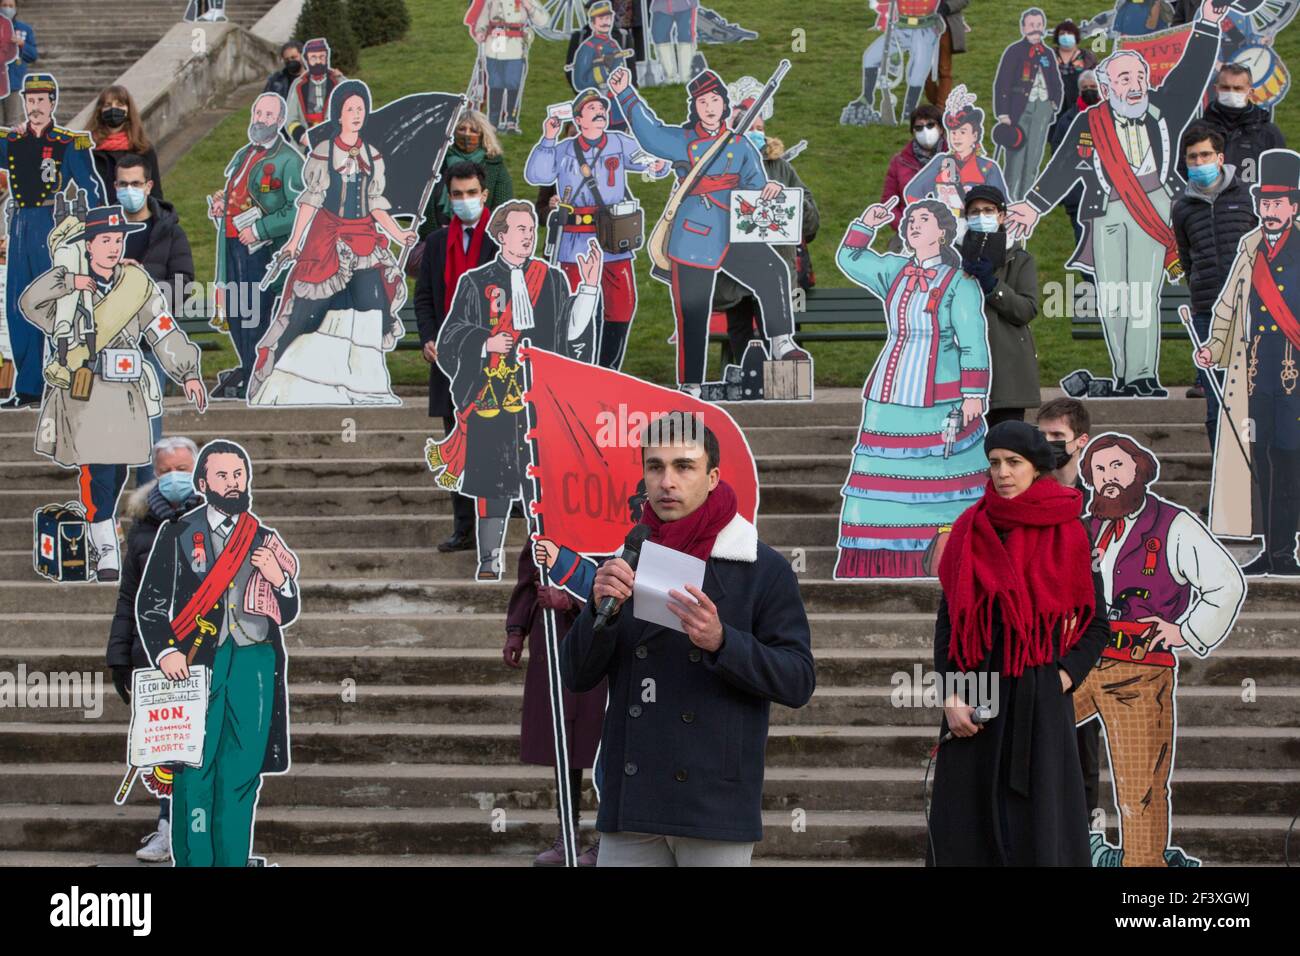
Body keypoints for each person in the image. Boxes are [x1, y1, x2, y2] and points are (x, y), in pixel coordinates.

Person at [560, 414, 815, 866]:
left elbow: (798, 680)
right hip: (632, 802)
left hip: (714, 803)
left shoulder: (762, 567)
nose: (667, 482)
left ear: (712, 477)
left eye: (684, 466)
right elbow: (576, 675)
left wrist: (722, 642)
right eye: (655, 467)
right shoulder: (625, 560)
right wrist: (601, 610)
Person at [1007, 2, 1228, 398]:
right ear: (1107, 88)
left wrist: (1208, 24)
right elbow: (1063, 167)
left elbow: (1192, 73)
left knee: (1142, 294)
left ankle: (1141, 375)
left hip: (1153, 205)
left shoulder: (1165, 109)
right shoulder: (1089, 121)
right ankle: (1125, 376)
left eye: (1140, 75)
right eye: (1125, 78)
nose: (1136, 83)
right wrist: (1033, 204)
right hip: (1104, 212)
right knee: (1113, 297)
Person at [928, 420, 1110, 865]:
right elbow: (950, 621)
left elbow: (1096, 625)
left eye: (1014, 462)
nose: (1003, 473)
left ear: (1036, 468)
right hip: (978, 692)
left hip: (1039, 701)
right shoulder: (969, 530)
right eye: (994, 463)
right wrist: (952, 693)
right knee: (967, 836)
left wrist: (1061, 678)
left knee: (1039, 836)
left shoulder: (1070, 531)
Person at [1076, 433, 1245, 866]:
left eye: (1117, 466)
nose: (1108, 477)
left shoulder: (1174, 524)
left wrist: (1185, 631)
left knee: (1140, 787)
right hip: (1076, 664)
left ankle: (1143, 870)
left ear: (1139, 469)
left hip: (1138, 669)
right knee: (1024, 737)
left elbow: (1226, 584)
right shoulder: (1084, 525)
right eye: (1099, 470)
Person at [19, 204, 207, 581]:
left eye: (117, 240)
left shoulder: (136, 283)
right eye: (104, 240)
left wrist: (187, 371)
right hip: (84, 393)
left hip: (125, 395)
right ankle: (105, 546)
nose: (112, 247)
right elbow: (30, 303)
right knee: (98, 472)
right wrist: (68, 282)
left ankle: (103, 529)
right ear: (88, 245)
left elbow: (162, 328)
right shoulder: (69, 291)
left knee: (118, 471)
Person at [136, 440, 300, 867]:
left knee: (242, 772)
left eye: (238, 474)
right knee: (195, 771)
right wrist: (165, 652)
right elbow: (150, 604)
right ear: (204, 482)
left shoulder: (264, 538)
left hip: (255, 661)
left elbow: (287, 610)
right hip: (196, 664)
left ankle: (232, 861)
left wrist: (279, 579)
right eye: (222, 475)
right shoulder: (178, 532)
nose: (232, 483)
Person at [610, 66, 811, 394]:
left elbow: (754, 187)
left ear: (724, 105)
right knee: (693, 310)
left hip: (732, 231)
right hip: (694, 233)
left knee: (773, 270)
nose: (709, 107)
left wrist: (769, 190)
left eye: (715, 100)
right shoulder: (683, 141)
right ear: (695, 107)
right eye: (702, 101)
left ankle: (781, 341)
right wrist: (626, 94)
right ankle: (691, 382)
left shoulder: (740, 145)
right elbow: (650, 134)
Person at [430, 200, 601, 579]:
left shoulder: (552, 279)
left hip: (539, 401)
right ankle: (489, 560)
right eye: (521, 229)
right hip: (492, 400)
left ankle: (547, 565)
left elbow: (570, 334)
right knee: (491, 485)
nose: (528, 236)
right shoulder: (475, 282)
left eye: (532, 229)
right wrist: (484, 343)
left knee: (542, 487)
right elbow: (449, 340)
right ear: (502, 235)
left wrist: (589, 288)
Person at [834, 198, 990, 578]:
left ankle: (948, 555)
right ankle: (879, 555)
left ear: (943, 231)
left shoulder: (960, 283)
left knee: (943, 476)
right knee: (879, 477)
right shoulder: (894, 270)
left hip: (941, 397)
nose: (913, 225)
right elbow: (849, 259)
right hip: (888, 392)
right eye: (910, 221)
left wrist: (973, 394)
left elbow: (972, 339)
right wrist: (866, 224)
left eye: (923, 219)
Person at [248, 81, 417, 407]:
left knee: (372, 305)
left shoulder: (372, 155)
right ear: (338, 114)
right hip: (327, 238)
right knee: (310, 312)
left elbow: (375, 203)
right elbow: (311, 200)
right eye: (350, 109)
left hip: (364, 239)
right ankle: (298, 383)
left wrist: (399, 234)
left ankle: (365, 386)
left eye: (360, 109)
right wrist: (294, 241)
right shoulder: (324, 152)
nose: (356, 114)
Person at [1195, 148, 1300, 576]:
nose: (1269, 212)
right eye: (1265, 204)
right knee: (1262, 462)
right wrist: (1212, 348)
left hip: (1295, 376)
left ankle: (1285, 551)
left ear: (1294, 206)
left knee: (1290, 460)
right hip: (1256, 375)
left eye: (1277, 204)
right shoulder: (1250, 246)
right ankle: (1270, 550)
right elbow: (1228, 306)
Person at [105, 436, 202, 863]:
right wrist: (118, 654)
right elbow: (129, 596)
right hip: (155, 656)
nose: (174, 478)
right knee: (167, 746)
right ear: (154, 474)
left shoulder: (219, 518)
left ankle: (206, 831)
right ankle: (167, 827)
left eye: (183, 469)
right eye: (165, 471)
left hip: (205, 652)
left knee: (206, 748)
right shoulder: (143, 525)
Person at [524, 89, 667, 370]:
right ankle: (577, 367)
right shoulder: (564, 149)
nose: (600, 113)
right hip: (575, 240)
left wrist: (656, 165)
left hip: (613, 237)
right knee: (577, 305)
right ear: (578, 119)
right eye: (592, 109)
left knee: (622, 303)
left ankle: (609, 368)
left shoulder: (619, 142)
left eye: (602, 108)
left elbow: (646, 161)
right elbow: (537, 174)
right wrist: (549, 137)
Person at [0, 73, 102, 409]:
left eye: (41, 100)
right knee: (18, 306)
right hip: (19, 224)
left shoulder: (67, 143)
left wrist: (97, 231)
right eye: (30, 100)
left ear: (53, 103)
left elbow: (90, 186)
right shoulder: (12, 141)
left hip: (49, 223)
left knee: (54, 301)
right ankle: (28, 387)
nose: (35, 107)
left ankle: (58, 377)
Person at [413, 161, 496, 553]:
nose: (465, 200)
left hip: (493, 364)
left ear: (485, 194)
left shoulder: (502, 239)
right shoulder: (435, 243)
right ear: (449, 198)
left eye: (471, 193)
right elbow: (425, 298)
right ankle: (463, 527)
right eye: (458, 194)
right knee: (457, 446)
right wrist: (428, 338)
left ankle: (495, 523)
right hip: (449, 366)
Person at [506, 539, 605, 866]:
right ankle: (567, 835)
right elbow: (528, 581)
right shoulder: (543, 527)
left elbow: (624, 583)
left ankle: (607, 837)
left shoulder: (611, 527)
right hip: (552, 642)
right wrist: (516, 630)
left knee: (605, 743)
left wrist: (572, 601)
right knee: (563, 743)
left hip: (599, 643)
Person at [208, 93, 304, 400]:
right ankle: (249, 370)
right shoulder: (244, 153)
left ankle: (256, 376)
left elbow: (299, 209)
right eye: (257, 113)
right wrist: (222, 204)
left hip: (262, 251)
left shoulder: (289, 160)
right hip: (232, 244)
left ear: (280, 120)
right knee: (235, 312)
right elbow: (238, 194)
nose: (260, 120)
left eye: (267, 115)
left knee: (254, 315)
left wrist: (260, 229)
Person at [1033, 396, 1100, 819]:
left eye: (1057, 436)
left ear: (1080, 441)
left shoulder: (1106, 501)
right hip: (1042, 649)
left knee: (1083, 756)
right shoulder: (1024, 494)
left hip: (1090, 647)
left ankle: (1084, 840)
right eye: (1041, 436)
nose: (1049, 444)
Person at [714, 110, 819, 365]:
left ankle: (777, 384)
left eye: (760, 128)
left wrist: (789, 201)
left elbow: (810, 216)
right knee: (739, 329)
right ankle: (745, 379)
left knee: (774, 329)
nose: (757, 133)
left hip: (774, 261)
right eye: (750, 127)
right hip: (734, 267)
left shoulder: (780, 166)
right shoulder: (718, 165)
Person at [115, 152, 196, 486]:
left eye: (135, 183)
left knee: (149, 422)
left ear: (148, 186)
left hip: (149, 344)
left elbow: (183, 283)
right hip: (106, 344)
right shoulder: (103, 231)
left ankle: (147, 496)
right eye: (123, 184)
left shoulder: (170, 232)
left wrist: (141, 283)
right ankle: (104, 503)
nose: (129, 190)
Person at [1172, 124, 1256, 425]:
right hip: (1208, 314)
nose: (1199, 162)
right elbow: (1187, 258)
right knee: (1217, 407)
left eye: (1205, 155)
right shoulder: (1182, 209)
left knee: (1257, 400)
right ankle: (1220, 458)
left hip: (1251, 311)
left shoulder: (1247, 198)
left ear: (1220, 158)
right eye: (1192, 157)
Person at [960, 184, 1038, 426]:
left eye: (988, 210)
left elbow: (1026, 310)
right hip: (961, 370)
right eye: (975, 212)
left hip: (1008, 369)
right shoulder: (951, 257)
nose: (981, 217)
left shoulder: (1019, 258)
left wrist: (993, 285)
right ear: (966, 217)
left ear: (1002, 215)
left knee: (1006, 440)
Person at [904, 86, 1008, 231]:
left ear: (975, 135)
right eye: (953, 133)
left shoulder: (988, 168)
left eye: (962, 132)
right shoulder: (941, 162)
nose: (956, 137)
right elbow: (913, 192)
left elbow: (1003, 205)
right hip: (944, 229)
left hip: (977, 229)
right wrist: (927, 217)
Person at [993, 9, 1063, 202]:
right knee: (1015, 158)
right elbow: (1002, 83)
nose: (1036, 29)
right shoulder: (1014, 51)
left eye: (1039, 25)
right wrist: (1003, 113)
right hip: (1019, 110)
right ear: (1023, 28)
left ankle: (1025, 201)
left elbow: (1056, 82)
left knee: (1033, 158)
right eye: (1031, 25)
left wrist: (1053, 104)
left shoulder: (1048, 53)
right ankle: (1008, 200)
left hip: (1043, 109)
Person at [1189, 62, 1285, 185]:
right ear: (1216, 89)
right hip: (1207, 196)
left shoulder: (1268, 133)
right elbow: (1182, 171)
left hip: (1250, 197)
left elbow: (1280, 176)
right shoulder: (1197, 130)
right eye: (1225, 87)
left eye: (1238, 88)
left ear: (1250, 92)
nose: (1231, 92)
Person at [423, 109, 513, 233]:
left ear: (483, 134)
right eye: (462, 129)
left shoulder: (494, 165)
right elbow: (424, 201)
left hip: (479, 235)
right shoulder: (437, 161)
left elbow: (503, 205)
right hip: (439, 233)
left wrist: (484, 234)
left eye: (473, 130)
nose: (467, 134)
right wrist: (432, 235)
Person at [468, 0, 548, 133]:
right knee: (495, 82)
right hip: (495, 43)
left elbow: (543, 20)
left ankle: (511, 120)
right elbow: (484, 16)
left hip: (514, 46)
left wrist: (528, 6)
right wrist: (481, 30)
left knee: (513, 83)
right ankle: (493, 121)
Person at [881, 104, 945, 250]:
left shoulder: (956, 158)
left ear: (941, 129)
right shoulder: (899, 162)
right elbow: (888, 203)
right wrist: (905, 226)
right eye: (919, 127)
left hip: (950, 232)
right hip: (909, 234)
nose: (925, 131)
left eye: (930, 125)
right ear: (913, 132)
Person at [88, 86, 162, 207]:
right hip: (98, 214)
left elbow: (155, 193)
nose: (113, 109)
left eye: (119, 104)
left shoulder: (142, 148)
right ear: (100, 110)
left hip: (135, 214)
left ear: (128, 110)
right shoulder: (87, 148)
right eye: (108, 105)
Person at [570, 1, 635, 129]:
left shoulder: (614, 44)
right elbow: (579, 82)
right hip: (595, 107)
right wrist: (602, 70)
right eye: (601, 19)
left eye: (607, 18)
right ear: (593, 23)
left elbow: (625, 72)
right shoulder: (587, 48)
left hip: (617, 107)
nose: (605, 22)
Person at [285, 37, 345, 150]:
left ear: (327, 57)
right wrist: (302, 136)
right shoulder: (298, 84)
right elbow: (290, 118)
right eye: (313, 57)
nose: (318, 61)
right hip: (305, 145)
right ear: (306, 60)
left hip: (336, 142)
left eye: (322, 57)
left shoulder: (339, 81)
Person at [1047, 20, 1097, 148]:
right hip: (1054, 105)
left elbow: (1095, 80)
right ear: (1057, 37)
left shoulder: (1087, 57)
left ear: (1076, 36)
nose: (1066, 36)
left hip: (1078, 102)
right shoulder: (1048, 56)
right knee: (1056, 137)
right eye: (1062, 34)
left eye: (1069, 33)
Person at [925, 0, 970, 108]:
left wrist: (945, 7)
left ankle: (941, 109)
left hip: (946, 26)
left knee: (944, 69)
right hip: (924, 27)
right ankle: (940, 108)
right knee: (923, 71)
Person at [0, 2, 36, 128]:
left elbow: (33, 55)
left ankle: (10, 141)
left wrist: (22, 44)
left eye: (11, 6)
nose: (7, 9)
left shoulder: (24, 29)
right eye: (4, 5)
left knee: (13, 123)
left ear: (16, 8)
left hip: (13, 82)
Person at [648, 0, 699, 86]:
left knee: (686, 37)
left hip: (685, 5)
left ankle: (685, 78)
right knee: (659, 36)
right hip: (661, 6)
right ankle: (669, 77)